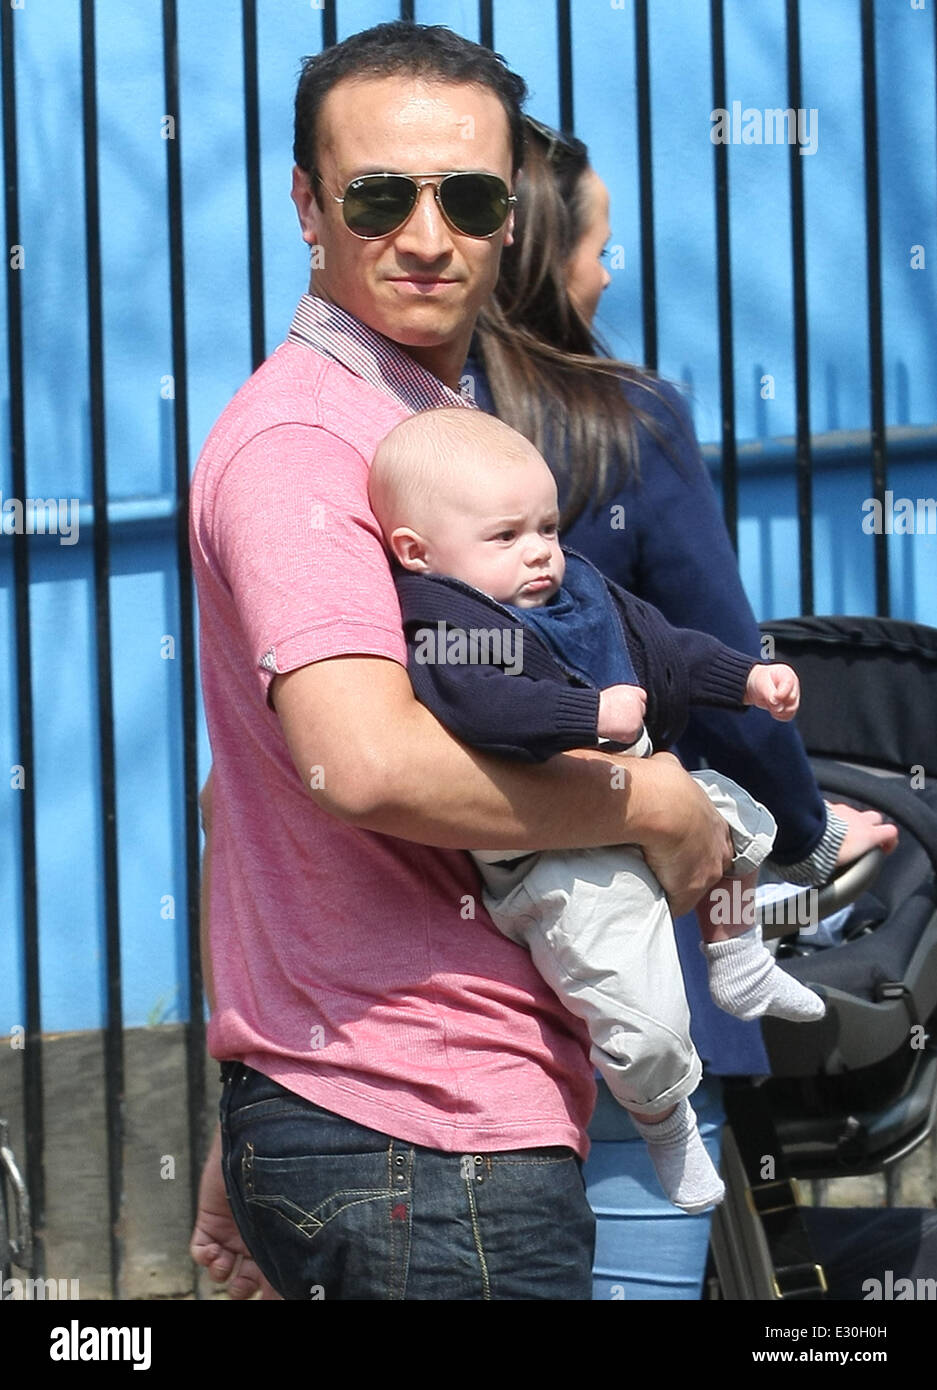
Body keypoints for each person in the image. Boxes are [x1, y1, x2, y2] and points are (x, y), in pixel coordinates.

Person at [187, 21, 739, 1302]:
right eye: (380, 197)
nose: (428, 236)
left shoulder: (421, 426)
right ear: (308, 205)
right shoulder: (306, 446)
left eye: (469, 198)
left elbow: (241, 796)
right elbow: (362, 763)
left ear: (510, 217)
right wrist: (648, 800)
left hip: (389, 1122)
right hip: (426, 1137)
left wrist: (264, 1095)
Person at [461, 116, 899, 1297]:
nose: (609, 273)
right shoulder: (621, 421)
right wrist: (808, 831)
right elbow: (715, 661)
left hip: (439, 966)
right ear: (545, 257)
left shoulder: (403, 432)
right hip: (632, 952)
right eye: (596, 245)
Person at [368, 405, 830, 1213]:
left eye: (547, 527)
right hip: (553, 851)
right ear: (417, 552)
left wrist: (747, 680)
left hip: (632, 795)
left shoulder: (575, 592)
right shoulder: (445, 625)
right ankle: (664, 1122)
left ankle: (738, 959)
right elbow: (485, 710)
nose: (538, 551)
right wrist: (589, 714)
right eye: (505, 536)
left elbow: (666, 648)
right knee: (636, 1009)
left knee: (742, 824)